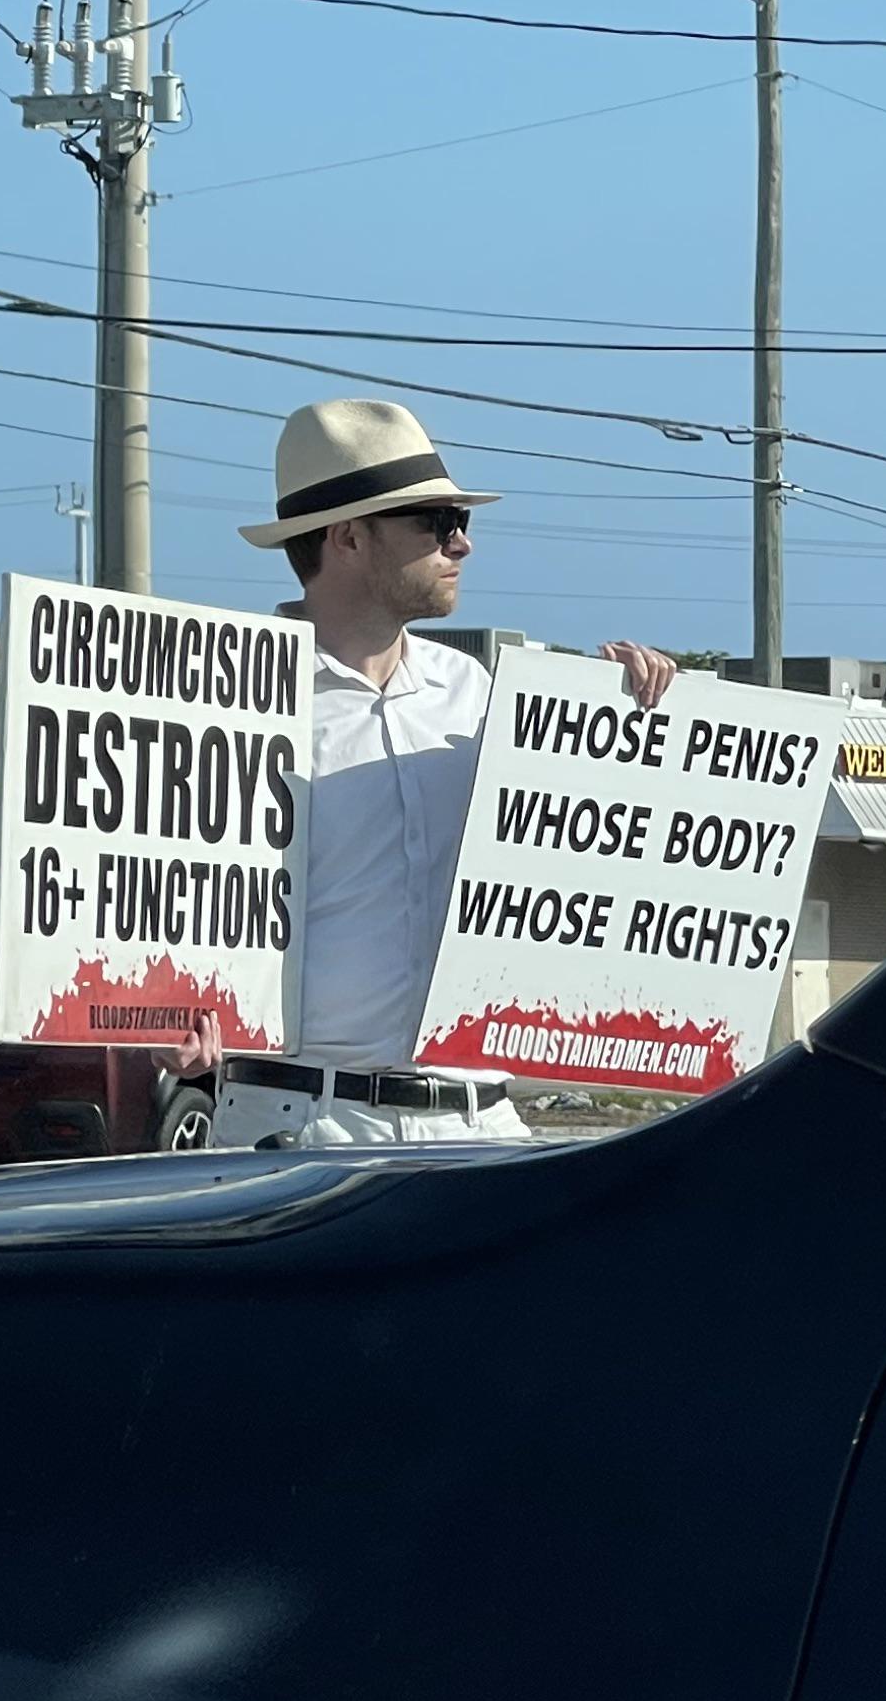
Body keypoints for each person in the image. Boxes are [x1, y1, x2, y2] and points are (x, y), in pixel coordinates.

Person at [210, 399, 675, 1147]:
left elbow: (578, 859)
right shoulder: (228, 700)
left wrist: (623, 723)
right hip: (301, 1126)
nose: (460, 544)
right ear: (348, 537)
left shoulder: (480, 694)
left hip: (479, 1121)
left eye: (462, 520)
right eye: (434, 521)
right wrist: (167, 1018)